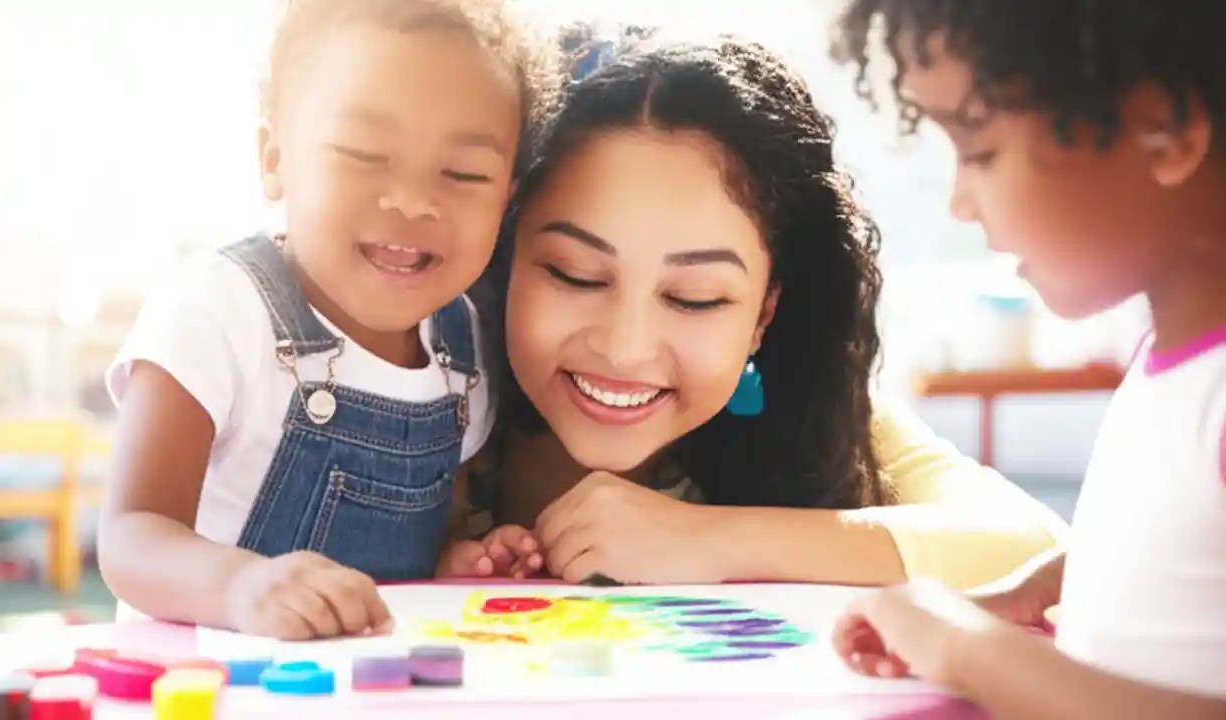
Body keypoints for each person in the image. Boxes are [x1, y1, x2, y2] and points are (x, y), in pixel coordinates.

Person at [439, 38, 1066, 590]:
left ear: (764, 314)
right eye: (576, 274)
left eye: (695, 298)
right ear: (506, 252)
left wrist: (709, 539)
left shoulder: (810, 412)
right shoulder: (425, 385)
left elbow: (1036, 545)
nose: (625, 348)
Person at [97, 0, 555, 640]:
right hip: (209, 675)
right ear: (274, 158)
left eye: (463, 173)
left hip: (369, 677)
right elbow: (130, 537)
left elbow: (425, 535)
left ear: (506, 197)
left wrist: (457, 563)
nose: (411, 201)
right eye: (363, 153)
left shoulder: (465, 349)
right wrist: (241, 586)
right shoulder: (216, 309)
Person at [828, 1, 1226, 715]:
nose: (960, 203)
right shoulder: (1174, 362)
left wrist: (968, 650)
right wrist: (1042, 585)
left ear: (1163, 130)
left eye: (980, 152)